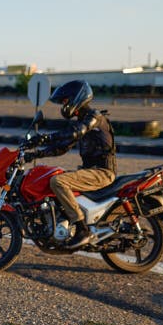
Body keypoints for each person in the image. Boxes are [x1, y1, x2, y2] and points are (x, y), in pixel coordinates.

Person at [26, 80, 117, 248]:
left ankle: (83, 230)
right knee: (51, 177)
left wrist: (47, 137)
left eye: (65, 101)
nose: (63, 105)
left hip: (102, 172)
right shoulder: (80, 122)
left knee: (58, 181)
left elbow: (77, 132)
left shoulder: (94, 117)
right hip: (90, 171)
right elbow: (61, 148)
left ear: (77, 98)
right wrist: (35, 154)